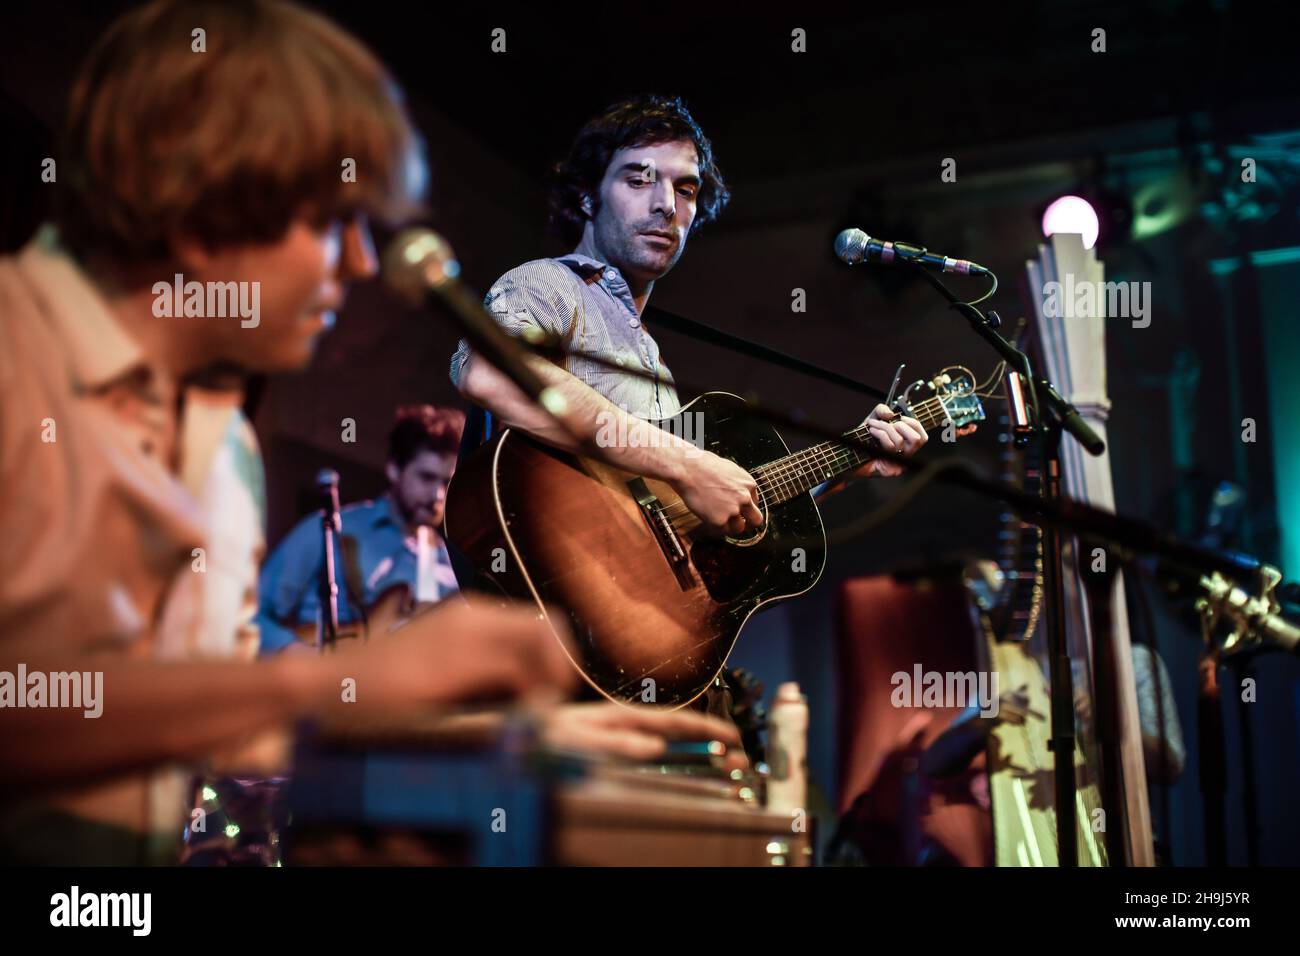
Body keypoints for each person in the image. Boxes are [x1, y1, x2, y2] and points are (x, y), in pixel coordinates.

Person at [0, 1, 737, 865]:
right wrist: (326, 681)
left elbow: (209, 726)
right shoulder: (17, 356)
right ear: (206, 194)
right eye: (330, 221)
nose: (357, 264)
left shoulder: (222, 440)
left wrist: (495, 745)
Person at [451, 95, 929, 717]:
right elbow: (491, 375)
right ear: (587, 197)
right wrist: (687, 464)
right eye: (637, 178)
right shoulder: (552, 284)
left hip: (631, 656)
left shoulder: (649, 357)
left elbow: (695, 511)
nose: (665, 205)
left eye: (686, 189)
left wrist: (849, 460)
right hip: (546, 662)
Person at [258, 405, 466, 654]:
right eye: (426, 477)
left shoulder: (449, 565)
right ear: (394, 468)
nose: (437, 495)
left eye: (447, 482)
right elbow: (253, 615)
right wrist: (298, 655)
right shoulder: (331, 527)